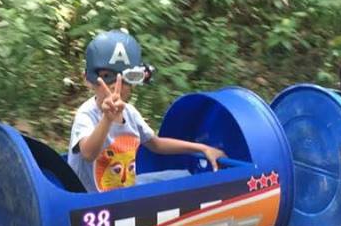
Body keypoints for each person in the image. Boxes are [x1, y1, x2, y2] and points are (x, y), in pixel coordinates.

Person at [68, 29, 226, 193]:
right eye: (107, 76)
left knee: (185, 177)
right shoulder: (86, 114)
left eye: (126, 78)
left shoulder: (130, 113)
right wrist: (107, 119)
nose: (116, 86)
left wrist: (202, 148)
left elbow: (156, 144)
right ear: (88, 79)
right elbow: (88, 153)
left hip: (125, 191)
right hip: (91, 205)